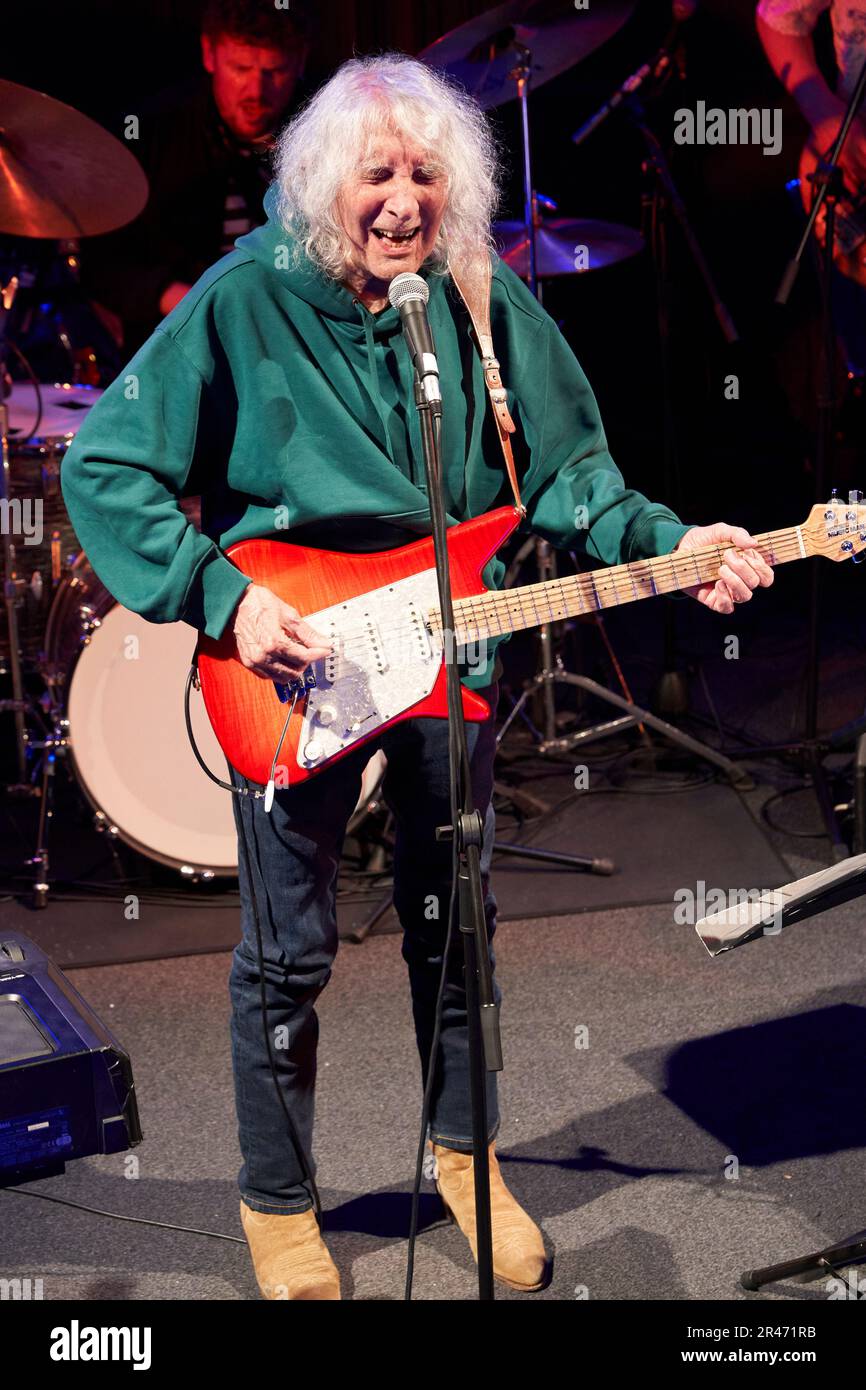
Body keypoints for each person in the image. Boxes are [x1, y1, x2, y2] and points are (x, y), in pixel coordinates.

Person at [61, 53, 774, 1301]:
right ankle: (277, 1202)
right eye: (376, 173)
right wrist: (227, 600)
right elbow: (104, 464)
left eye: (426, 174)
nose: (402, 200)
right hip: (292, 661)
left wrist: (674, 544)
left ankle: (466, 1155)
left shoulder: (478, 295)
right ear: (327, 184)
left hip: (453, 648)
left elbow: (567, 475)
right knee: (286, 951)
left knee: (458, 934)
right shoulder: (246, 293)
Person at [83, 0, 310, 358]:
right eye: (240, 68)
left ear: (300, 61)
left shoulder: (322, 133)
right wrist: (177, 297)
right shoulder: (152, 134)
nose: (256, 92)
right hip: (181, 344)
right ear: (209, 54)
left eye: (274, 71)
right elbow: (103, 266)